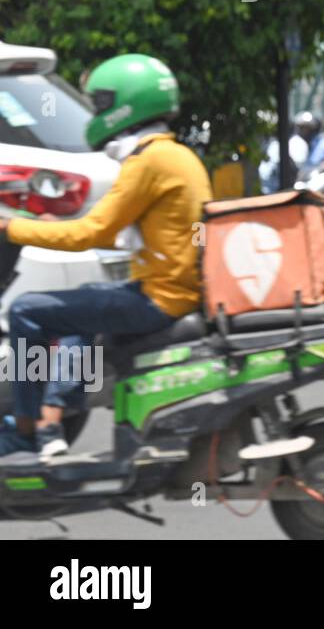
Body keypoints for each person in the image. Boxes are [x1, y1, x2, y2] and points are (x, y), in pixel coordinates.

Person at [0, 54, 212, 457]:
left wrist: (12, 229)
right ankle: (52, 425)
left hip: (158, 299)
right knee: (83, 304)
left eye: (100, 103)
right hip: (175, 291)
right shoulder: (177, 155)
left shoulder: (147, 161)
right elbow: (144, 237)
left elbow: (89, 233)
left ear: (125, 105)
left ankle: (24, 429)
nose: (96, 112)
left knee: (28, 310)